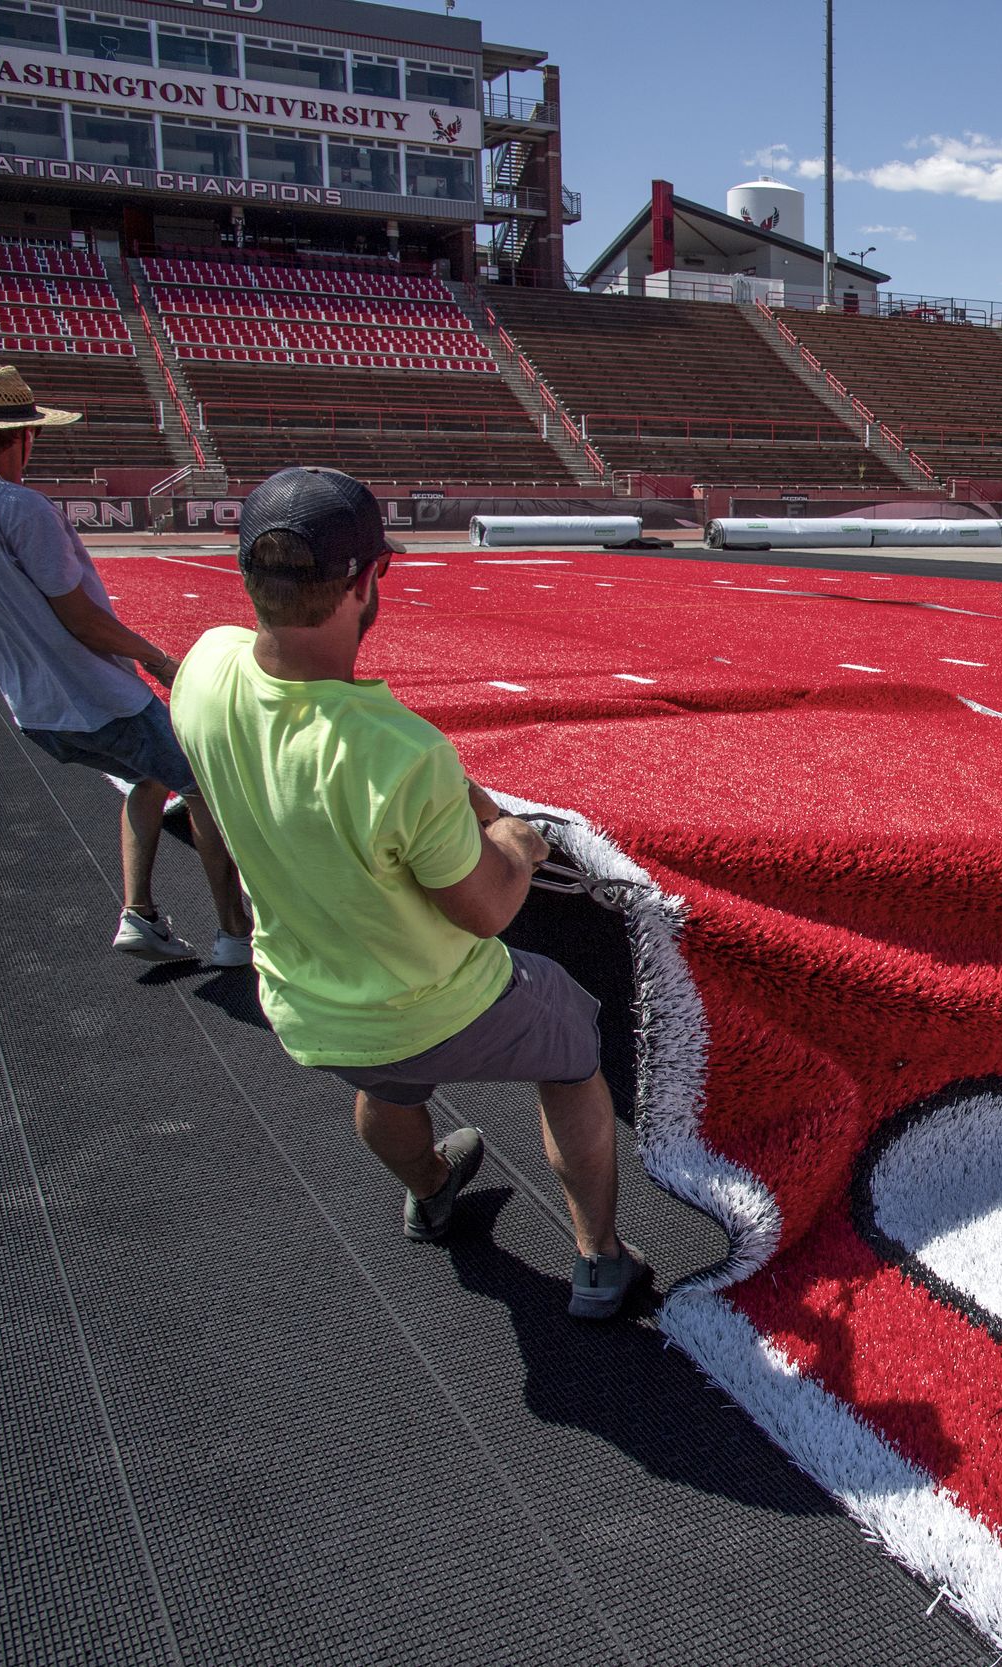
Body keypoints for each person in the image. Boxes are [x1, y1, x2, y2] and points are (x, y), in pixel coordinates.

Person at [168, 467, 646, 1319]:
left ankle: (430, 1189)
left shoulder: (204, 670)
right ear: (365, 581)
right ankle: (600, 1258)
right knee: (573, 1040)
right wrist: (517, 840)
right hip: (437, 1004)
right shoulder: (399, 753)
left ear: (248, 575)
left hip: (309, 1009)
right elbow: (488, 907)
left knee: (386, 1083)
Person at [0, 363, 250, 966]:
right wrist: (159, 660)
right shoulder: (23, 508)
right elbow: (81, 619)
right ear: (24, 434)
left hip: (33, 705)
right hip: (95, 695)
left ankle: (140, 915)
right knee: (204, 786)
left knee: (150, 775)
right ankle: (234, 935)